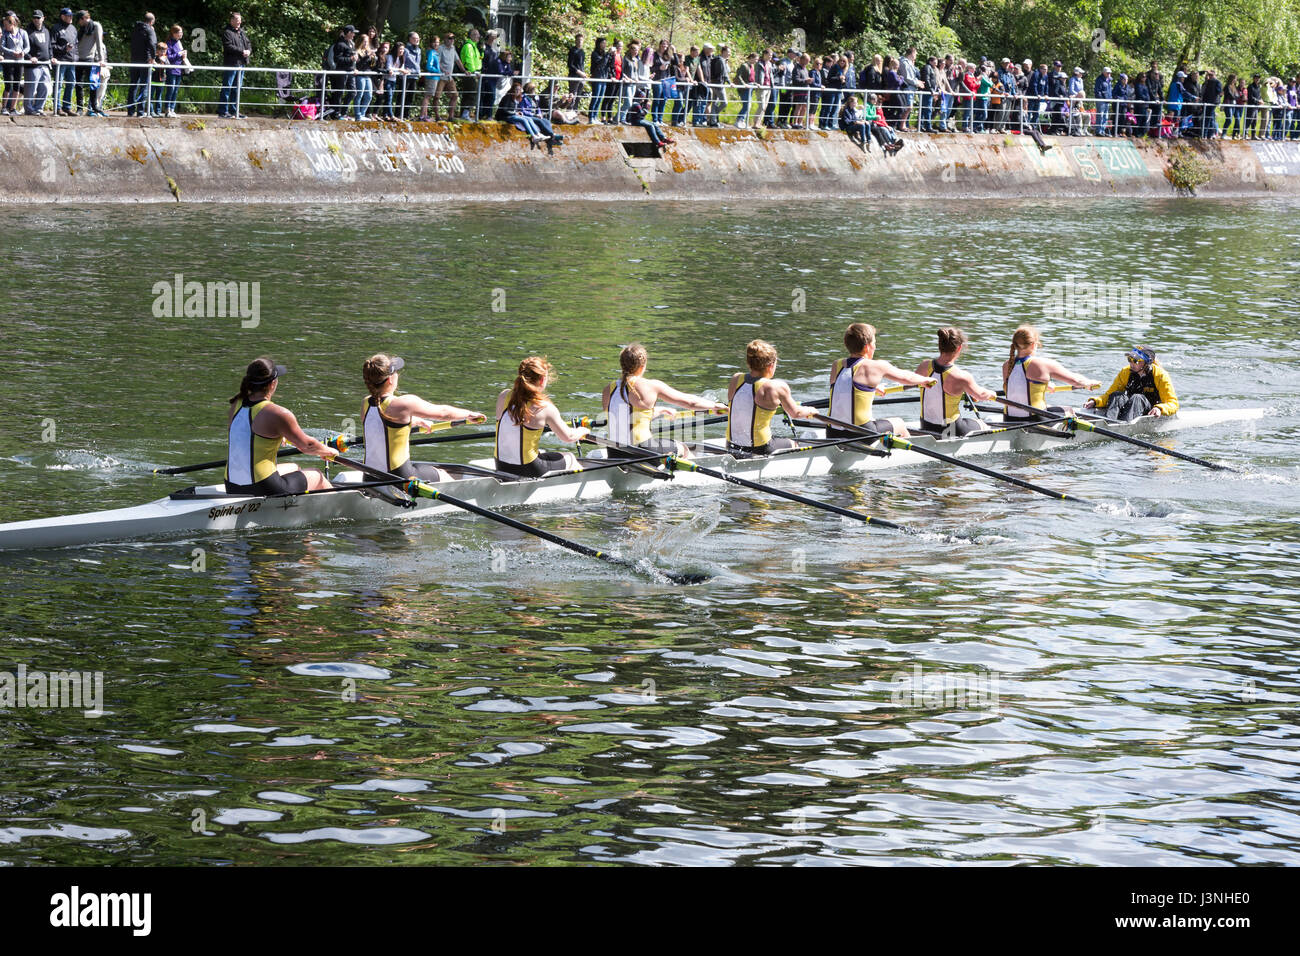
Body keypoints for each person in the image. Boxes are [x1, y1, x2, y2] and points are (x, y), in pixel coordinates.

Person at [360, 353, 485, 481]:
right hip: (400, 478)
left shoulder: (365, 404)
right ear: (390, 379)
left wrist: (417, 421)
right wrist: (469, 414)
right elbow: (442, 413)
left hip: (369, 477)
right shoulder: (404, 403)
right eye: (396, 372)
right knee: (442, 474)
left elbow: (382, 425)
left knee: (420, 466)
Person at [225, 359, 334, 495]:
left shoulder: (236, 404)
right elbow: (307, 446)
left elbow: (246, 437)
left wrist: (277, 437)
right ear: (272, 384)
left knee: (294, 467)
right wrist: (327, 451)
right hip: (263, 487)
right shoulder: (278, 413)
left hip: (231, 486)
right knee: (317, 475)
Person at [602, 344, 725, 459]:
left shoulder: (608, 390)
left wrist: (660, 411)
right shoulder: (650, 386)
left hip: (614, 451)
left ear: (622, 365)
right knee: (683, 447)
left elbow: (626, 416)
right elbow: (690, 402)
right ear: (642, 367)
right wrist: (714, 406)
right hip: (642, 450)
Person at [826, 323, 932, 438]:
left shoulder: (836, 365)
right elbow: (906, 377)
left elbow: (846, 385)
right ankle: (907, 454)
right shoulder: (875, 366)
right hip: (862, 433)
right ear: (867, 347)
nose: (875, 347)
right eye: (874, 343)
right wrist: (924, 379)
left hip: (832, 432)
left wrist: (872, 387)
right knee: (900, 423)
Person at [495, 357, 590, 478]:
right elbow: (568, 437)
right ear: (542, 380)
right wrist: (583, 431)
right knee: (570, 457)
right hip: (528, 468)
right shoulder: (545, 408)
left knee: (542, 453)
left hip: (501, 465)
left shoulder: (503, 396)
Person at [726, 340, 819, 456]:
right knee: (794, 443)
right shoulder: (775, 386)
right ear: (771, 365)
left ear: (749, 363)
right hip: (760, 449)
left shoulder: (736, 379)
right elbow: (796, 413)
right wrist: (811, 410)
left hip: (731, 446)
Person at [1000, 325, 1100, 421]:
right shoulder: (1040, 363)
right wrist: (1089, 383)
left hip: (1008, 418)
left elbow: (1019, 388)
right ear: (1033, 344)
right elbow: (1076, 381)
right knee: (1069, 410)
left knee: (1048, 407)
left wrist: (1042, 385)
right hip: (1036, 419)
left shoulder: (1006, 365)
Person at [915, 327, 996, 437]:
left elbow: (912, 384)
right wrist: (992, 394)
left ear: (940, 345)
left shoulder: (924, 366)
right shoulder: (961, 376)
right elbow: (981, 395)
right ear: (959, 348)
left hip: (926, 426)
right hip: (952, 429)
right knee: (983, 424)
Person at [1084, 346, 1178, 421]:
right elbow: (1109, 394)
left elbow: (1173, 403)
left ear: (1147, 363)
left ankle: (1125, 426)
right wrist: (1095, 401)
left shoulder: (1160, 375)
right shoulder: (1126, 372)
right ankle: (1109, 422)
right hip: (1131, 409)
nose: (1131, 363)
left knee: (1137, 397)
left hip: (1150, 411)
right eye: (1130, 359)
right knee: (1117, 395)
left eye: (1136, 361)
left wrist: (1160, 409)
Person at [218, 11, 250, 119]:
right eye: (237, 21)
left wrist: (248, 51)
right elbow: (228, 46)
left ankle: (234, 111)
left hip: (241, 64)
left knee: (237, 89)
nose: (239, 23)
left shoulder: (242, 32)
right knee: (227, 87)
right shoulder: (227, 32)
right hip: (231, 64)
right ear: (231, 21)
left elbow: (248, 44)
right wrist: (242, 51)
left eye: (240, 21)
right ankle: (223, 111)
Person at [126, 12, 156, 118]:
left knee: (133, 85)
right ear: (152, 21)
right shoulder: (150, 30)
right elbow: (152, 44)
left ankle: (130, 111)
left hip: (134, 60)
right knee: (144, 86)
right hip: (145, 61)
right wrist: (153, 58)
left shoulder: (135, 29)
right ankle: (140, 112)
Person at [23, 10, 50, 115]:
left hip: (45, 64)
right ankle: (29, 110)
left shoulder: (46, 31)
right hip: (32, 66)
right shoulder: (27, 32)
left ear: (43, 18)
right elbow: (23, 48)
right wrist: (29, 57)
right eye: (34, 18)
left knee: (45, 87)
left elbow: (49, 47)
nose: (36, 20)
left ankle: (39, 108)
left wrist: (51, 57)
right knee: (31, 88)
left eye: (38, 18)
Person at [0, 12, 27, 116]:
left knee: (16, 85)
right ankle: (4, 108)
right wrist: (12, 52)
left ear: (13, 24)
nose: (5, 27)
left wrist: (23, 52)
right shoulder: (5, 35)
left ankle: (12, 108)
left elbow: (27, 46)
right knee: (8, 85)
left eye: (6, 25)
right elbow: (2, 47)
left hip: (19, 62)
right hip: (9, 62)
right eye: (4, 25)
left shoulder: (23, 33)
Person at [458, 27, 481, 120]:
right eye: (475, 34)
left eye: (478, 34)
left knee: (469, 94)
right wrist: (474, 71)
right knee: (471, 94)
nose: (478, 36)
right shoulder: (468, 46)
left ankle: (464, 113)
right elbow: (469, 60)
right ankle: (465, 114)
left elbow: (477, 60)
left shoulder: (474, 46)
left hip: (473, 73)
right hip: (470, 73)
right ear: (471, 36)